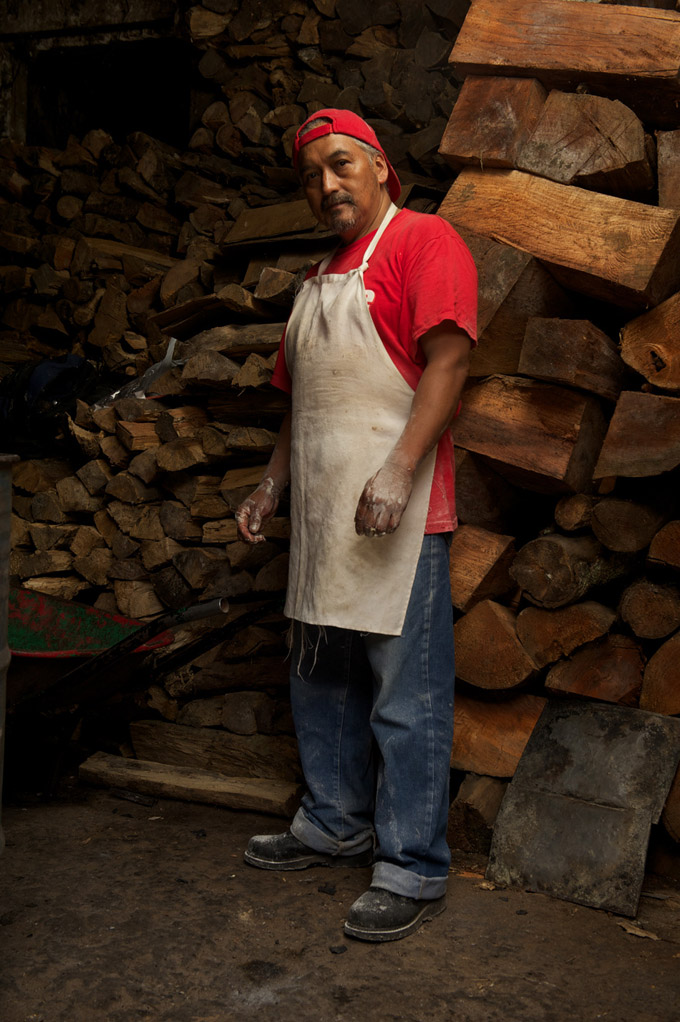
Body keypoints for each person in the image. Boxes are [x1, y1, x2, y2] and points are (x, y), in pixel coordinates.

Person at [236, 108, 477, 943]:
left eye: (340, 165)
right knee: (321, 681)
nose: (326, 185)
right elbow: (302, 404)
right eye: (310, 175)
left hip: (395, 514)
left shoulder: (423, 242)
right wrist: (271, 488)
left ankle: (413, 863)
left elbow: (448, 362)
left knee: (405, 698)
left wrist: (400, 468)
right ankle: (335, 820)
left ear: (378, 166)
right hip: (321, 517)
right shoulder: (318, 276)